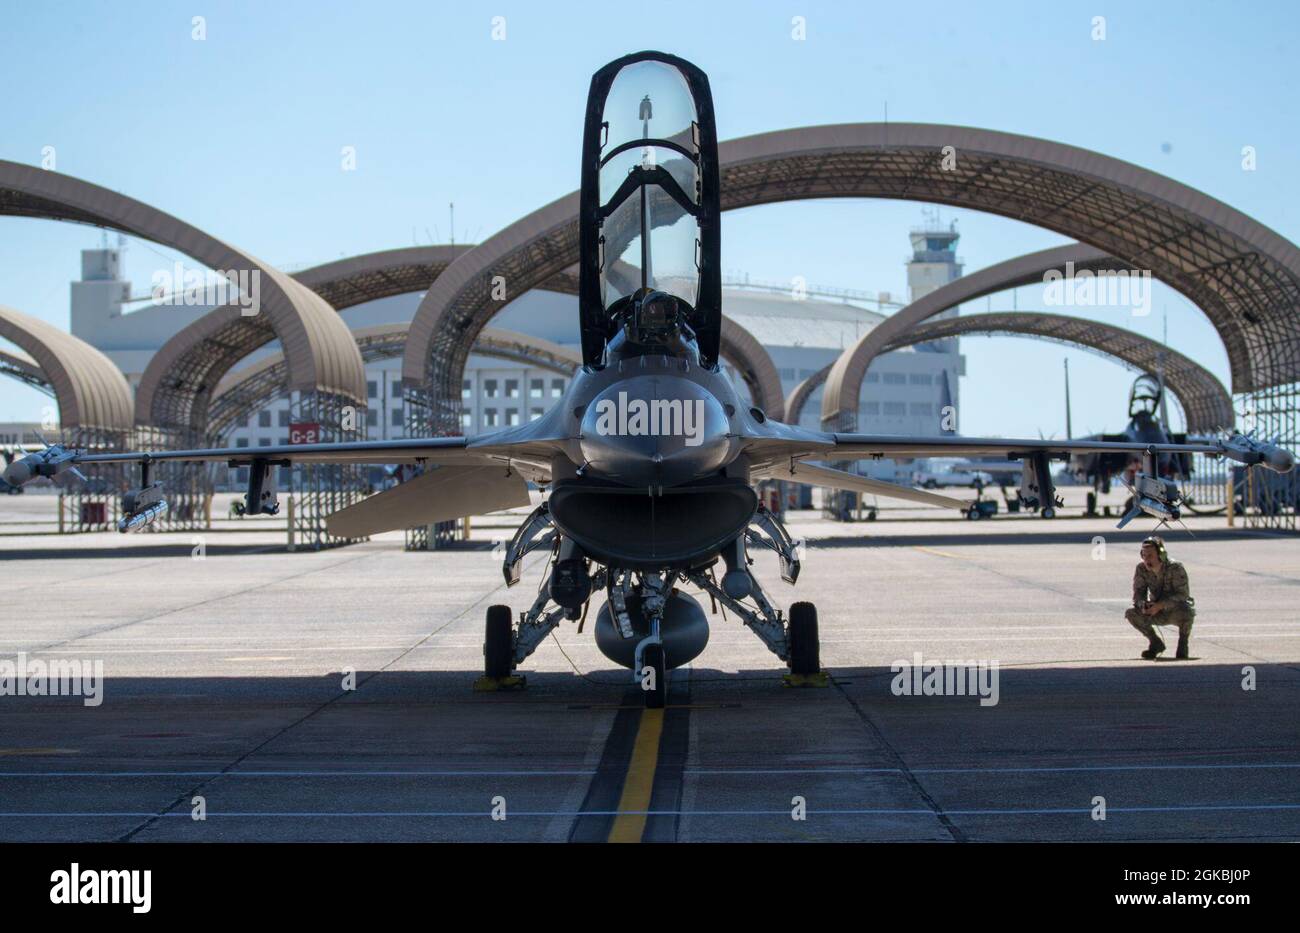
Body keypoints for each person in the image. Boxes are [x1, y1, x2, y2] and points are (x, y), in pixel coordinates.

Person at [1124, 535, 1195, 660]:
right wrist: (1143, 605)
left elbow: (1183, 595)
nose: (1146, 560)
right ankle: (1155, 642)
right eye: (1144, 556)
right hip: (1155, 611)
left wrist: (1161, 605)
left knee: (1187, 612)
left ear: (1161, 555)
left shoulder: (1175, 568)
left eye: (1150, 555)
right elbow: (1138, 593)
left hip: (1174, 611)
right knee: (1131, 613)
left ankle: (1183, 643)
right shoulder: (1141, 569)